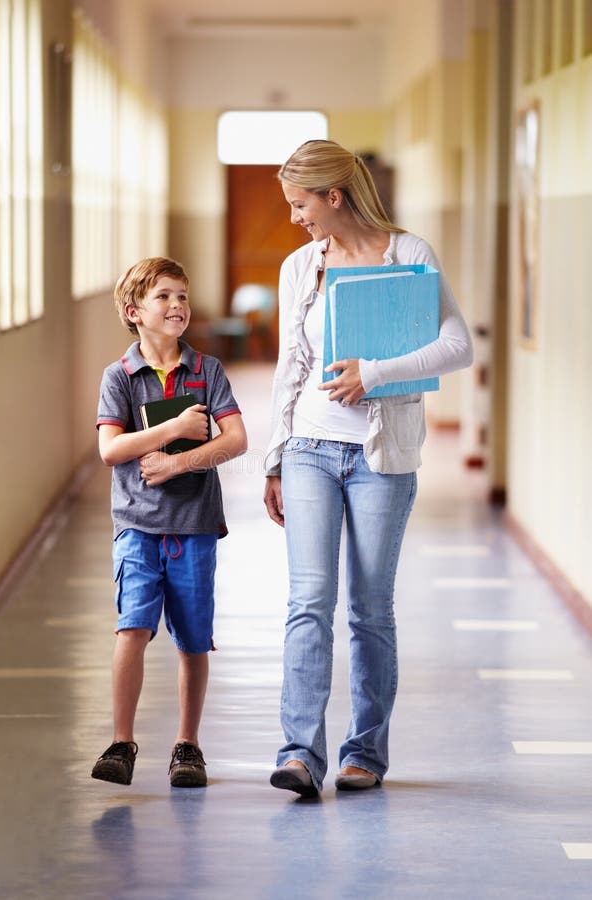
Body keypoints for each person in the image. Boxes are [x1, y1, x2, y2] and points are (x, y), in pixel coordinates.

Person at [264, 140, 473, 798]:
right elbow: (290, 367)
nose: (296, 217)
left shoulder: (407, 254)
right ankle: (300, 753)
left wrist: (374, 374)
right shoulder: (301, 267)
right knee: (308, 603)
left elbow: (456, 344)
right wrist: (273, 458)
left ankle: (365, 753)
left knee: (371, 611)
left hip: (383, 454)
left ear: (333, 196)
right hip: (309, 450)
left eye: (301, 204)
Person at [91, 256, 247, 788]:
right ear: (134, 311)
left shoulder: (208, 371)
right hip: (138, 524)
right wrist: (176, 428)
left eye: (182, 295)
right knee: (131, 627)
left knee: (193, 640)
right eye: (164, 297)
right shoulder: (121, 377)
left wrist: (180, 460)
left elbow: (236, 439)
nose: (177, 305)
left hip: (195, 525)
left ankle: (188, 744)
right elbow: (111, 450)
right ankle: (121, 740)